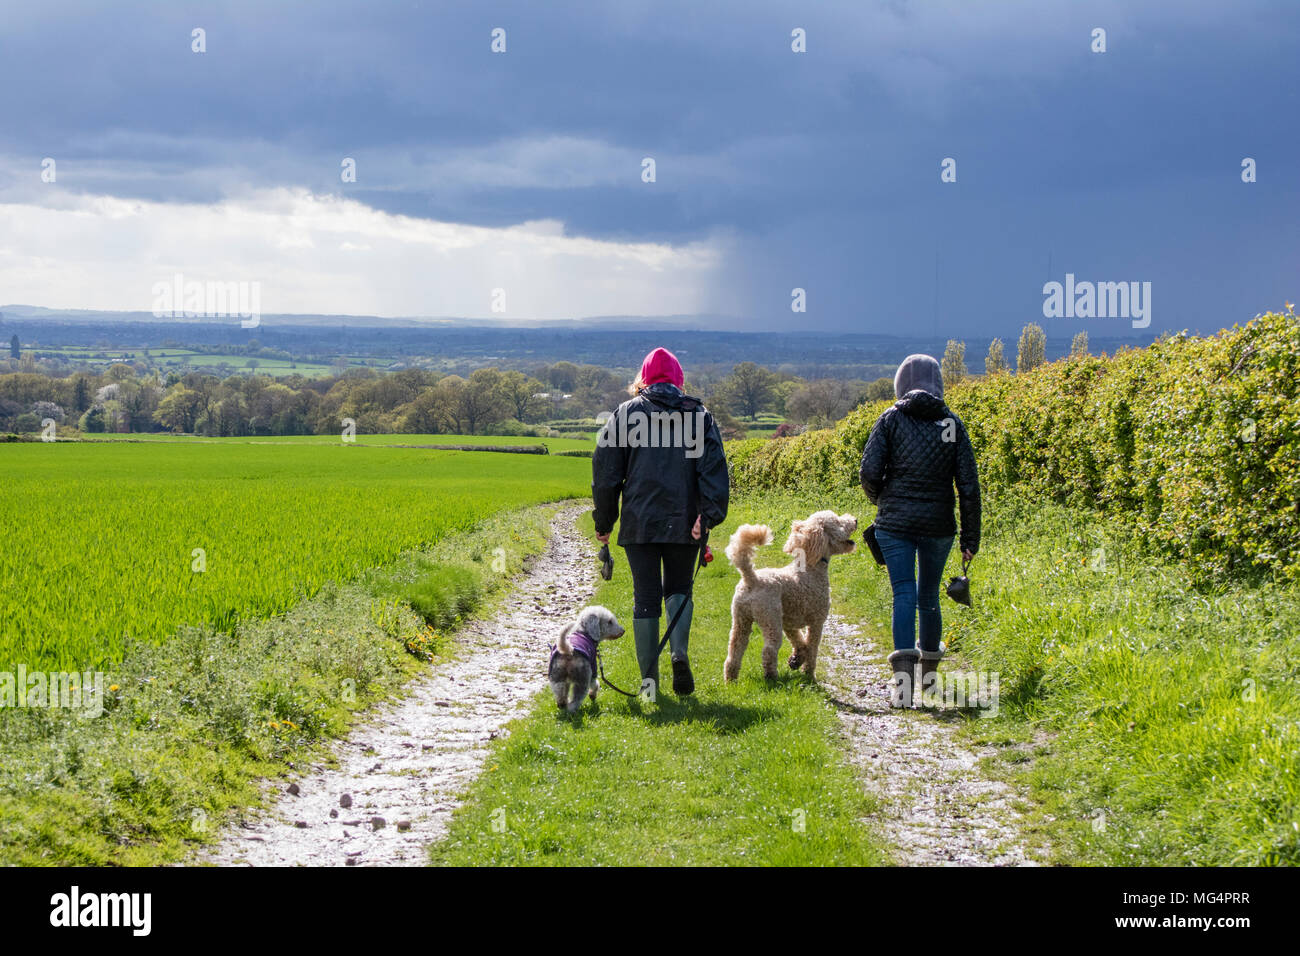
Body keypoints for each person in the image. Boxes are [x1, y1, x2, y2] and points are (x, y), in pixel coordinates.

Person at [591, 347, 729, 696]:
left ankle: (649, 682)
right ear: (679, 381)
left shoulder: (625, 414)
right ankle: (679, 654)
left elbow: (606, 473)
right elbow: (714, 472)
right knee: (680, 588)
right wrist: (707, 517)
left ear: (643, 380)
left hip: (640, 523)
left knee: (646, 596)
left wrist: (604, 521)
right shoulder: (700, 416)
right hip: (685, 522)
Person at [858, 354, 981, 708]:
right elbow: (968, 487)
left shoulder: (892, 419)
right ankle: (928, 679)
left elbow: (868, 471)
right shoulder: (951, 423)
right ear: (939, 383)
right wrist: (970, 538)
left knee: (903, 593)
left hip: (894, 525)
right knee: (928, 596)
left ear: (900, 383)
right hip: (938, 525)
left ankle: (903, 688)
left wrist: (882, 499)